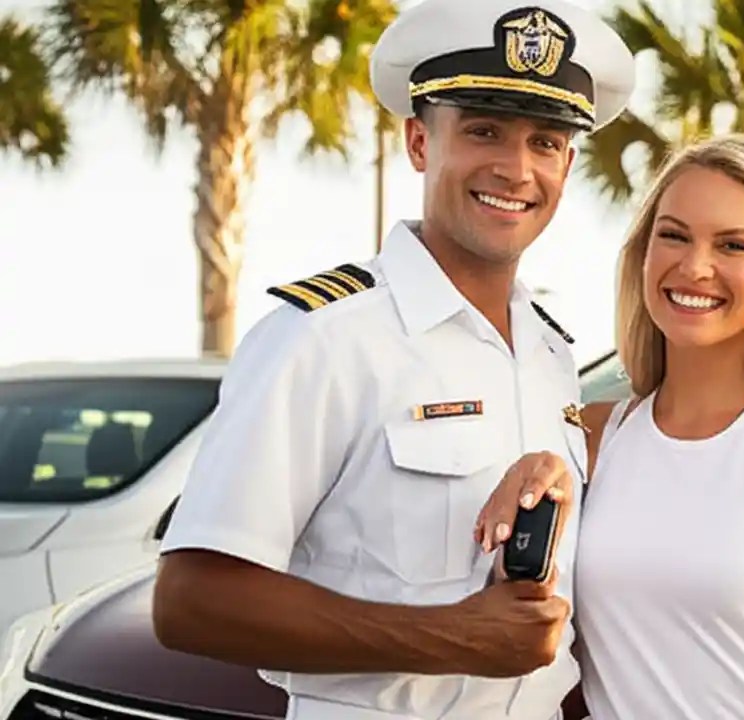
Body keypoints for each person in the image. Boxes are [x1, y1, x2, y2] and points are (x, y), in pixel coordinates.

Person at [150, 1, 634, 719]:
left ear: (567, 163)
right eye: (483, 130)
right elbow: (192, 600)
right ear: (417, 142)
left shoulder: (551, 352)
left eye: (546, 141)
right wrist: (452, 639)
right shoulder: (325, 336)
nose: (516, 167)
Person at [476, 134, 744, 719]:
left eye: (733, 245)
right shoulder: (586, 438)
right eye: (674, 235)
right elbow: (516, 633)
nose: (695, 267)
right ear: (643, 252)